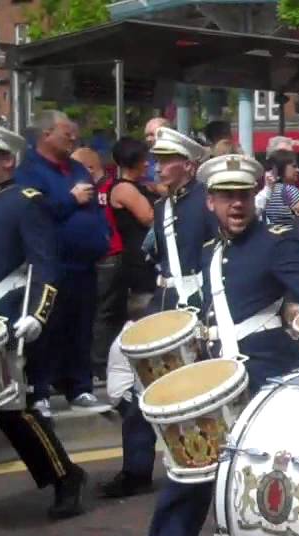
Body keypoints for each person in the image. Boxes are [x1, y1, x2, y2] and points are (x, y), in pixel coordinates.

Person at [113, 153, 299, 536]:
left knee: (294, 471)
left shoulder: (276, 242)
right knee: (190, 469)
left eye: (242, 195)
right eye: (226, 196)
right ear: (211, 202)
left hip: (266, 376)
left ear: (253, 198)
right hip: (219, 377)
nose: (236, 204)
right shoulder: (210, 252)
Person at [0, 122, 88, 530]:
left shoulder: (26, 202)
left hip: (5, 319)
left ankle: (64, 476)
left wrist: (37, 315)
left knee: (14, 411)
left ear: (8, 160)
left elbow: (45, 265)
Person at [97, 127, 211, 500]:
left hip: (201, 305)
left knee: (201, 391)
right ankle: (136, 469)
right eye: (157, 160)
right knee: (141, 386)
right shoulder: (162, 208)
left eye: (166, 161)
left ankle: (207, 461)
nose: (157, 168)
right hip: (165, 302)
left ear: (189, 165)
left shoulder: (208, 202)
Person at [16, 109, 110, 414]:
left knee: (81, 328)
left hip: (85, 266)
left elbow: (93, 207)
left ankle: (80, 387)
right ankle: (39, 390)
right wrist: (70, 199)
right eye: (66, 133)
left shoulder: (77, 168)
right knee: (47, 329)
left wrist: (102, 235)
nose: (73, 138)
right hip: (52, 266)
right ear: (46, 135)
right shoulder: (29, 171)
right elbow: (36, 211)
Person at [74, 146, 128, 379]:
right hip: (99, 256)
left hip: (108, 255)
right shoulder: (103, 187)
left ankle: (100, 363)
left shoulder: (103, 188)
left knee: (103, 313)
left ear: (88, 168)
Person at [108, 137, 158, 298]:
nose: (147, 164)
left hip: (149, 260)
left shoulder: (143, 186)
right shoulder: (124, 189)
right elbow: (149, 218)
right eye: (143, 160)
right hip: (138, 262)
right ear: (131, 161)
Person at [261, 149, 299, 226]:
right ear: (282, 167)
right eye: (294, 166)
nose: (297, 170)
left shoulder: (272, 190)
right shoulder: (287, 191)